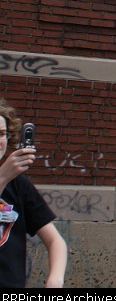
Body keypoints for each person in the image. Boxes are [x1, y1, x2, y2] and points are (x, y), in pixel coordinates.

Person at [0, 99, 67, 288]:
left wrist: (55, 280)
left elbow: (55, 241)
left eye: (2, 134)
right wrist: (2, 177)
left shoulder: (18, 184)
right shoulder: (7, 176)